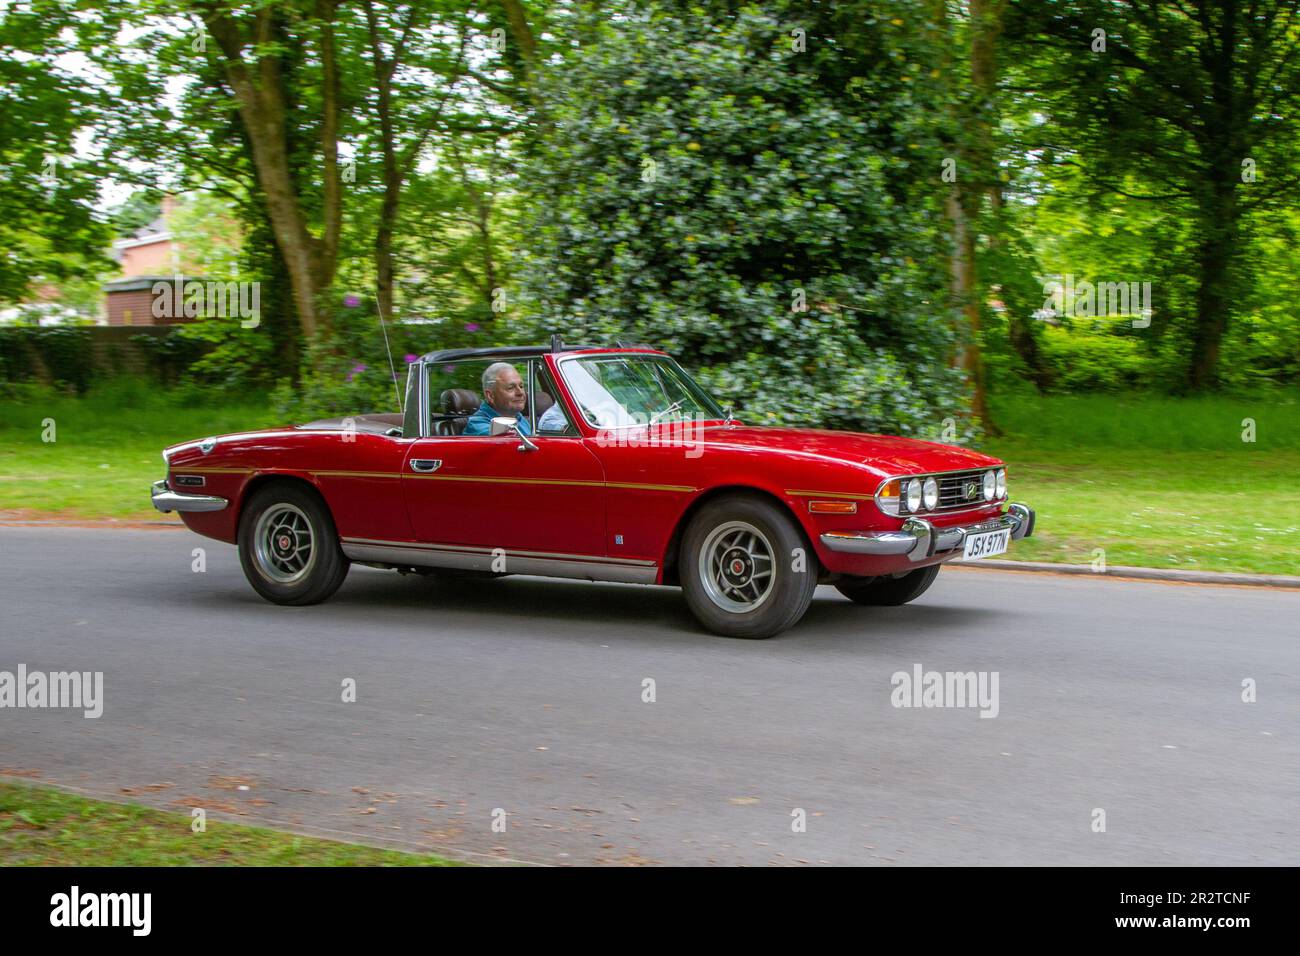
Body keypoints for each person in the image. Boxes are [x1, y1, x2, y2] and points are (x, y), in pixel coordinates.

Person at [464, 362, 533, 436]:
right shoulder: (479, 426)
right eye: (510, 388)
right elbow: (507, 441)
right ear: (490, 396)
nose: (520, 393)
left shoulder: (519, 417)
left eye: (521, 386)